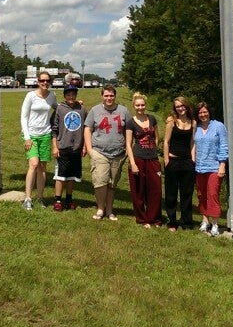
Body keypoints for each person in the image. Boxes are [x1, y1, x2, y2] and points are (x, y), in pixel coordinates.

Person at [84, 84, 128, 221]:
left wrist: (127, 147)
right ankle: (100, 208)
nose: (109, 98)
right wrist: (90, 149)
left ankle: (109, 210)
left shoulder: (124, 111)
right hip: (99, 152)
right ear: (102, 96)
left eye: (111, 95)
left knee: (112, 183)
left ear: (115, 96)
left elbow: (129, 130)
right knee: (100, 181)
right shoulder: (95, 110)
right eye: (106, 95)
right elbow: (87, 129)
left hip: (118, 153)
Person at [20, 70, 57, 210]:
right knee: (34, 164)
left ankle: (40, 197)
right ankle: (28, 198)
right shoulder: (30, 96)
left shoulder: (52, 96)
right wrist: (27, 138)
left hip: (46, 134)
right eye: (42, 81)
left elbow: (58, 108)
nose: (45, 83)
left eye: (47, 81)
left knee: (42, 167)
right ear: (38, 81)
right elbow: (23, 117)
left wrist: (74, 104)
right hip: (31, 134)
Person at [125, 92, 162, 227]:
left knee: (155, 190)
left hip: (152, 158)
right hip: (138, 158)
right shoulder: (130, 123)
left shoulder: (152, 119)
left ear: (145, 105)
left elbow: (157, 137)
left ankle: (154, 218)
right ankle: (142, 219)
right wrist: (133, 163)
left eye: (142, 105)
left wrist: (153, 150)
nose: (140, 107)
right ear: (134, 106)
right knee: (138, 190)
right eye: (138, 105)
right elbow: (128, 144)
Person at [194, 101, 228, 236]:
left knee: (213, 194)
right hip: (199, 167)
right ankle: (205, 220)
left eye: (205, 112)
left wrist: (222, 164)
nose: (203, 114)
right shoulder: (195, 128)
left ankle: (215, 224)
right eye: (200, 112)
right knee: (201, 195)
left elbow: (224, 145)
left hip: (214, 167)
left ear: (209, 112)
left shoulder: (218, 126)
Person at [51, 84, 87, 211]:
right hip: (63, 147)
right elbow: (54, 130)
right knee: (61, 175)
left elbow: (86, 129)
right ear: (65, 96)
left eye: (73, 95)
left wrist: (84, 146)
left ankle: (69, 199)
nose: (71, 97)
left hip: (76, 147)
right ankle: (58, 199)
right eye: (68, 95)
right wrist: (55, 147)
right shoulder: (60, 109)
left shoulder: (82, 109)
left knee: (72, 176)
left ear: (76, 96)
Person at [163, 96, 196, 230]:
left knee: (186, 194)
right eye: (177, 106)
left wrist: (193, 160)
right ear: (175, 108)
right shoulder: (171, 122)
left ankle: (186, 222)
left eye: (182, 105)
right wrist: (166, 161)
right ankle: (172, 221)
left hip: (187, 162)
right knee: (171, 194)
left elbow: (192, 142)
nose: (180, 108)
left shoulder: (192, 123)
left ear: (187, 106)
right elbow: (166, 141)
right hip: (173, 161)